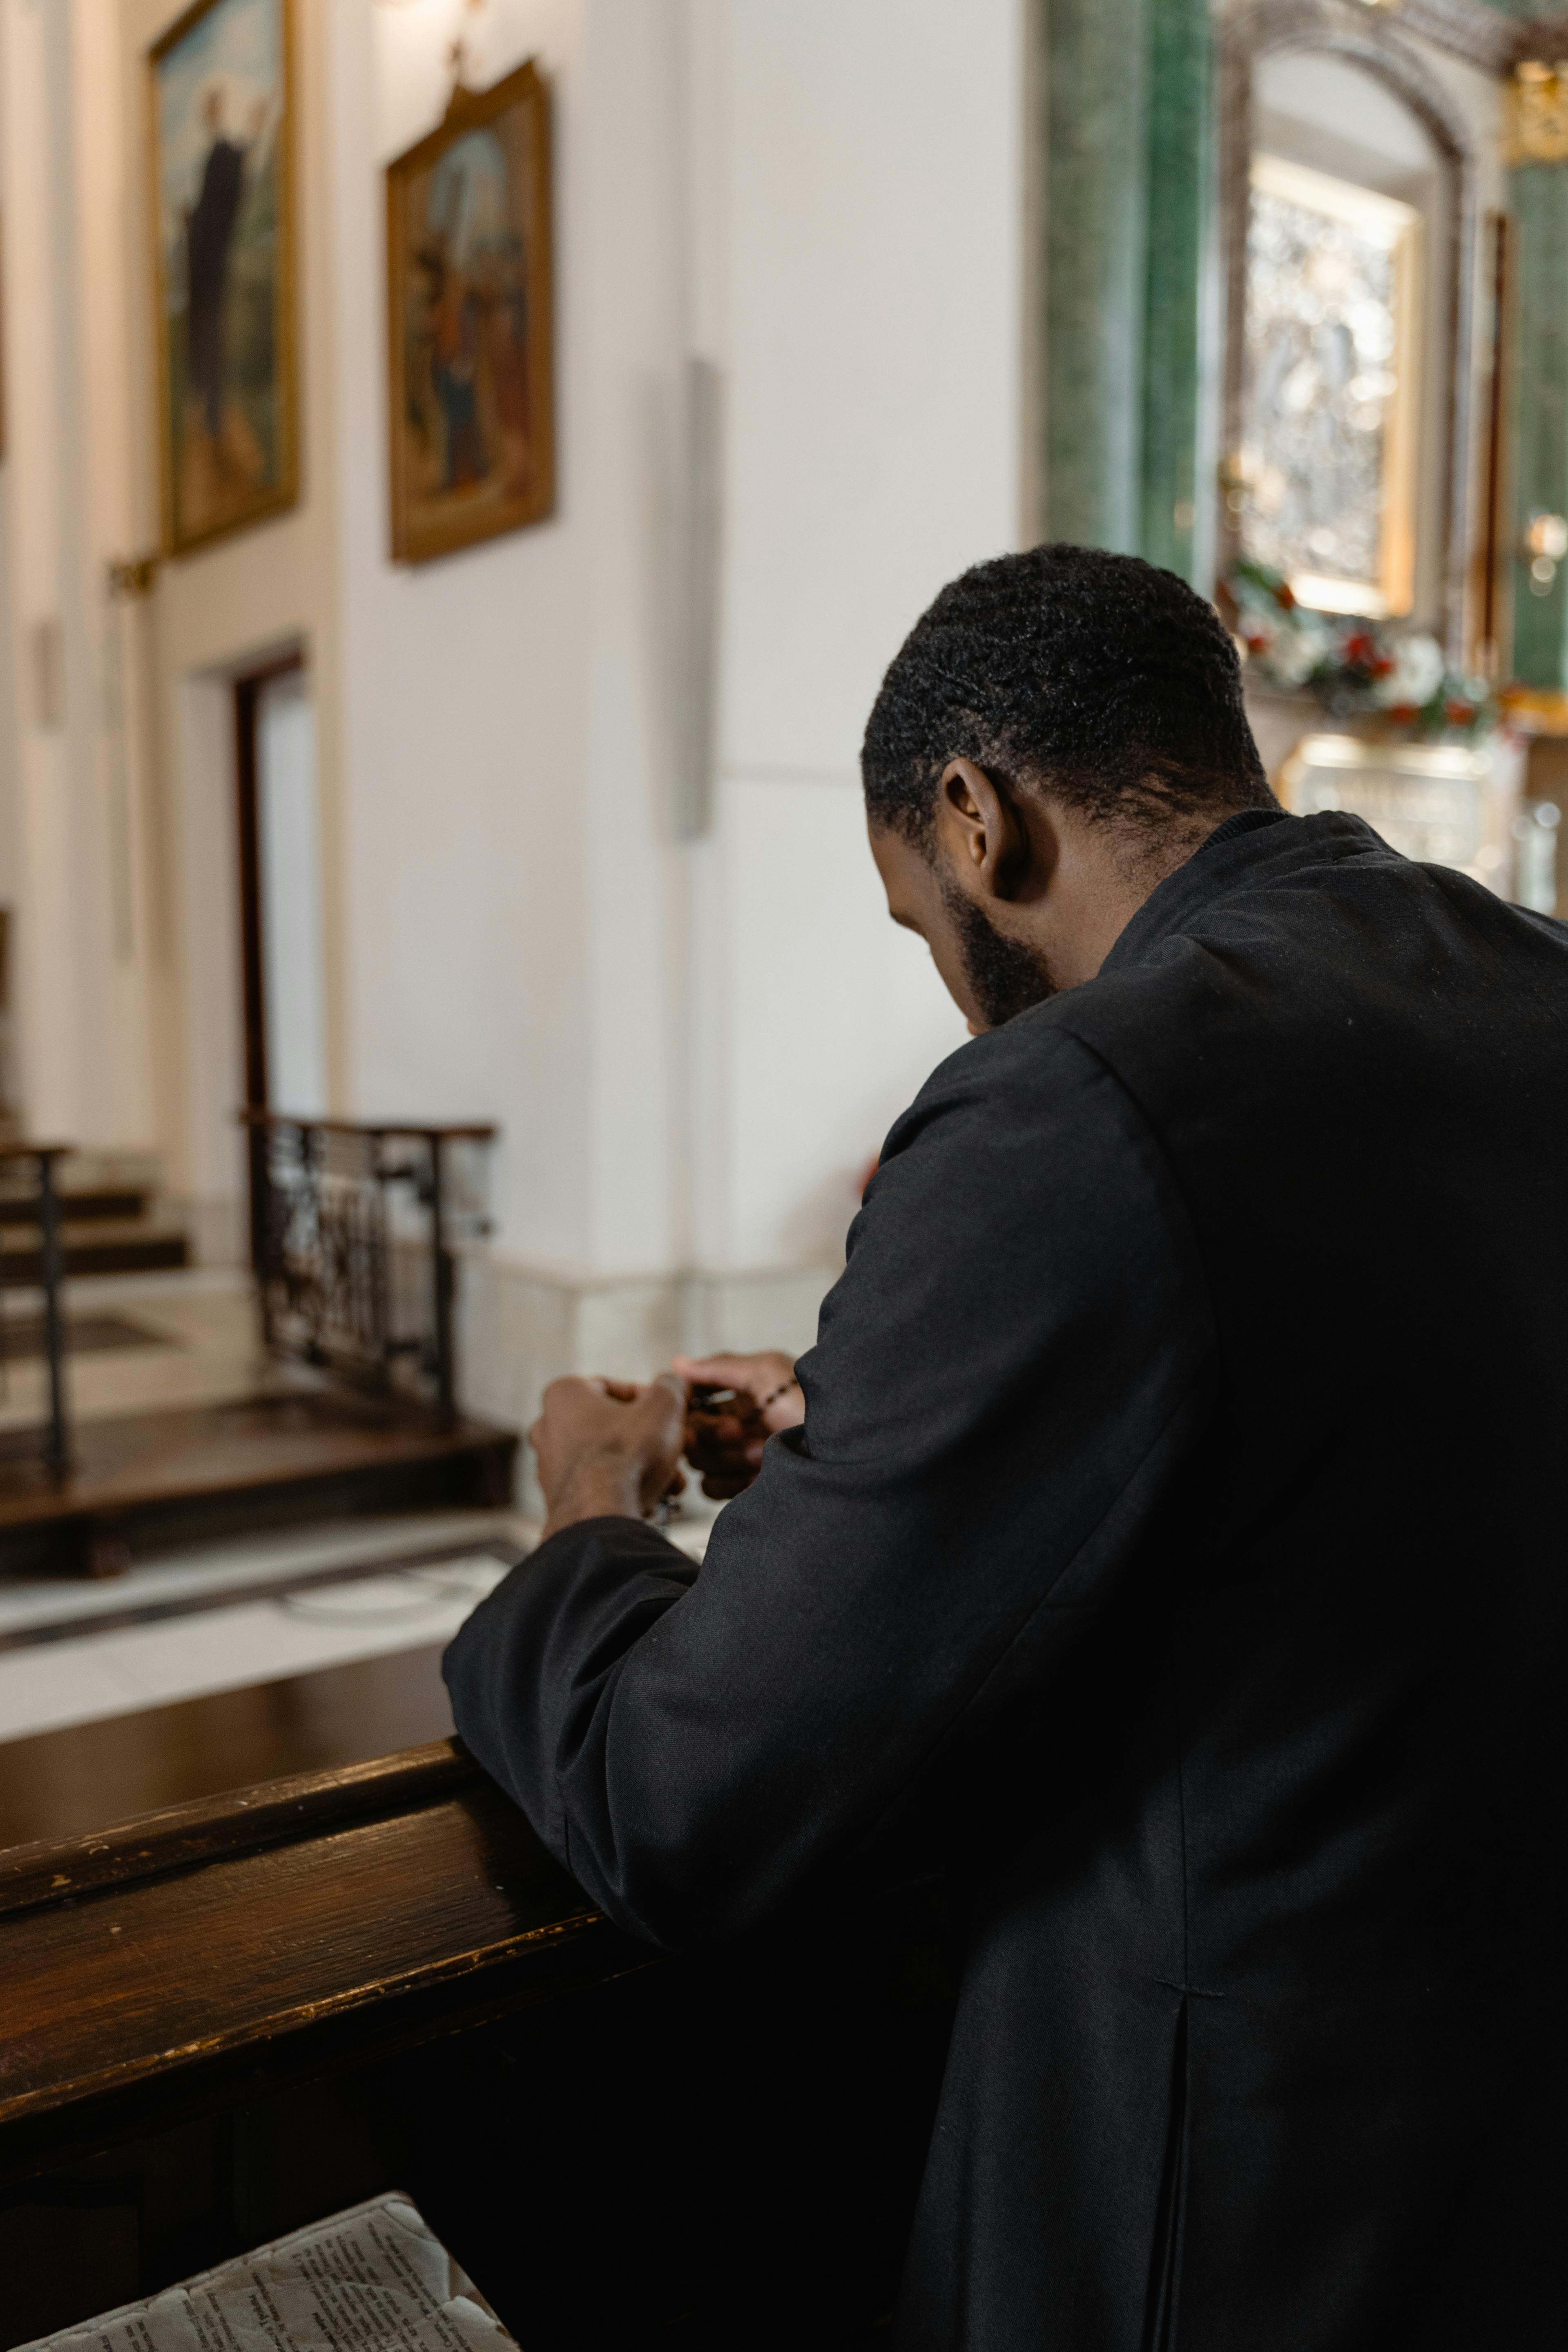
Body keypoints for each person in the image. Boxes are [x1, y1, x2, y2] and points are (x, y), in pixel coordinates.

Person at [444, 546, 1564, 2349]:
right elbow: (1358, 1432)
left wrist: (590, 1506)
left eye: (920, 927)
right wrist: (894, 1422)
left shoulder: (1076, 1094)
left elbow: (687, 1801)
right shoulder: (1525, 977)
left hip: (1247, 2222)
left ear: (977, 817)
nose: (954, 994)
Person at [185, 86, 247, 449]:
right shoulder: (217, 154)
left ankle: (216, 411)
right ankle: (210, 410)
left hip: (215, 263)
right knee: (207, 337)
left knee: (215, 336)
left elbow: (222, 208)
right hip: (205, 266)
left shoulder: (226, 153)